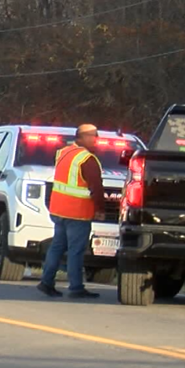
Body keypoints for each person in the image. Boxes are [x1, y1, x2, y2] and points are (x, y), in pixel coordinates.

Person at [37, 124, 105, 299]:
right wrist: (100, 209)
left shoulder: (63, 152)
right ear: (81, 137)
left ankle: (46, 282)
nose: (96, 139)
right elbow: (96, 187)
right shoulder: (87, 159)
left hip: (59, 210)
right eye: (93, 136)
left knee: (57, 247)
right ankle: (76, 287)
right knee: (76, 250)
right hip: (78, 213)